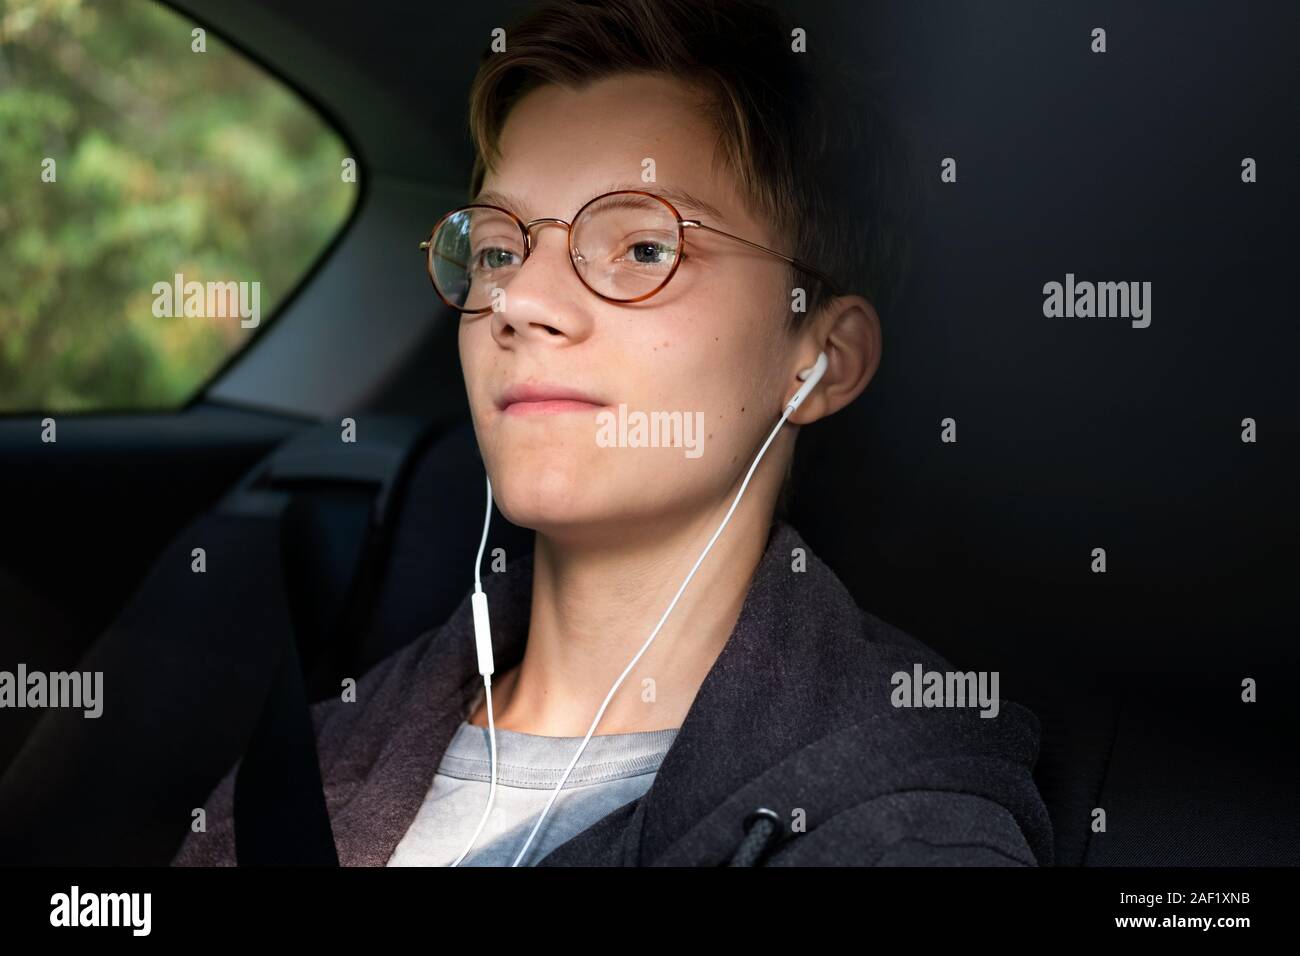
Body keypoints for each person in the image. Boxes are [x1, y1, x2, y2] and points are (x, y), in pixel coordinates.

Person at [173, 0, 1053, 867]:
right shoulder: (324, 750)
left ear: (821, 360)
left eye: (643, 250)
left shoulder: (898, 823)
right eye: (498, 251)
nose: (520, 301)